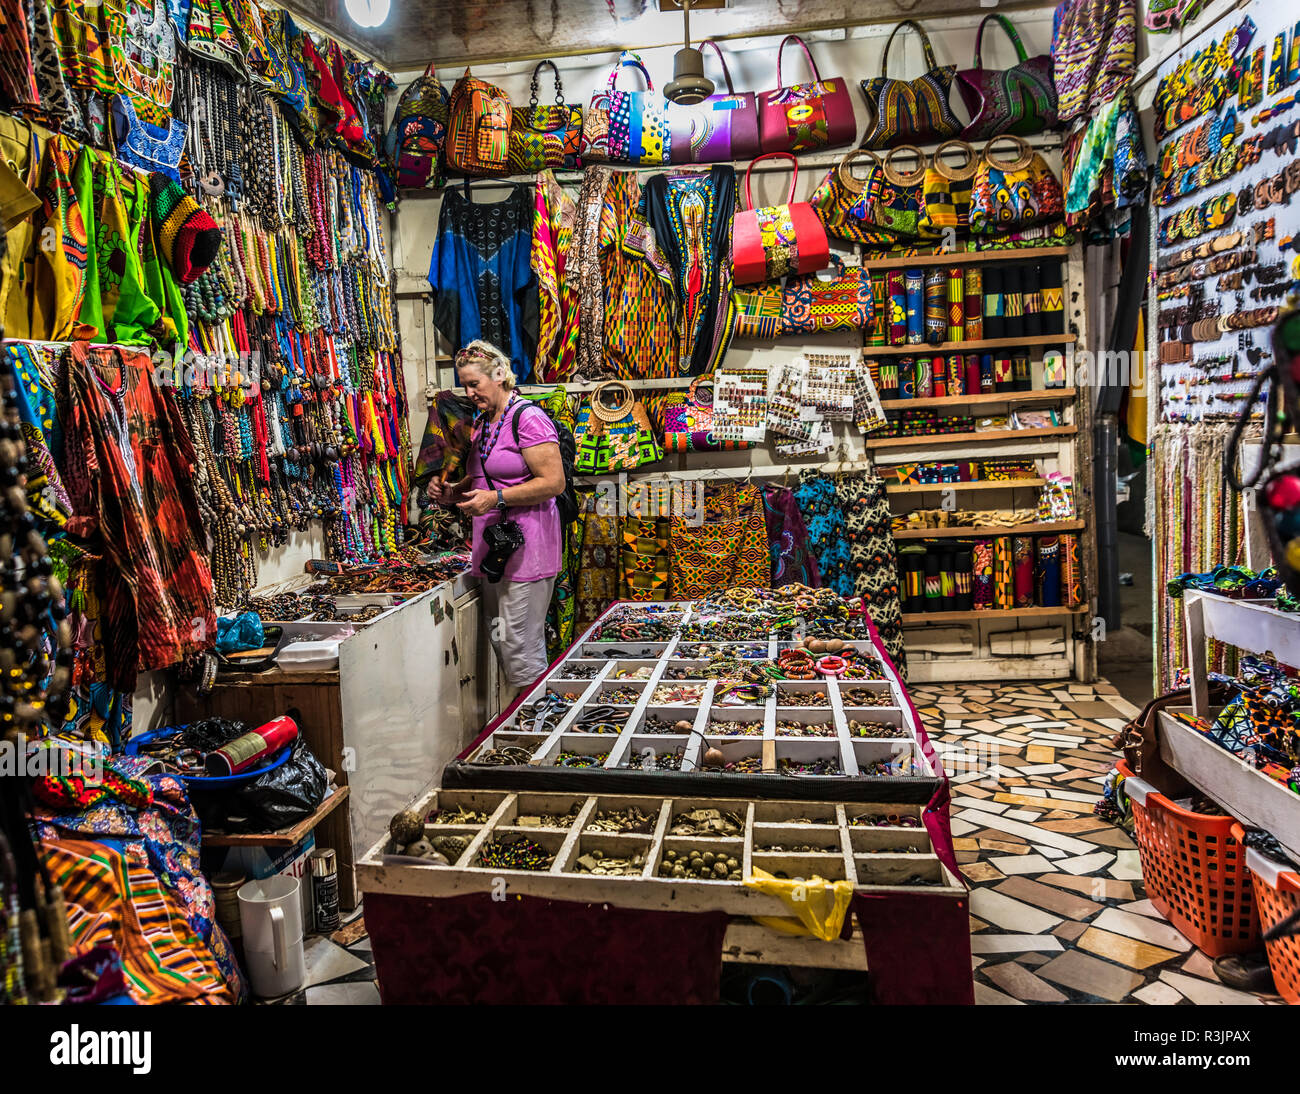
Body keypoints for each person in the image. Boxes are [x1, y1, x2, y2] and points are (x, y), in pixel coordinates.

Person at [430, 341, 564, 695]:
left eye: (475, 384)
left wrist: (496, 498)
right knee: (503, 640)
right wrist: (452, 493)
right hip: (495, 551)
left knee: (520, 645)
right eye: (464, 386)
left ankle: (537, 726)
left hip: (529, 550)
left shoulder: (528, 418)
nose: (469, 393)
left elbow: (553, 482)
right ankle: (525, 720)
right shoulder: (485, 422)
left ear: (501, 375)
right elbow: (484, 478)